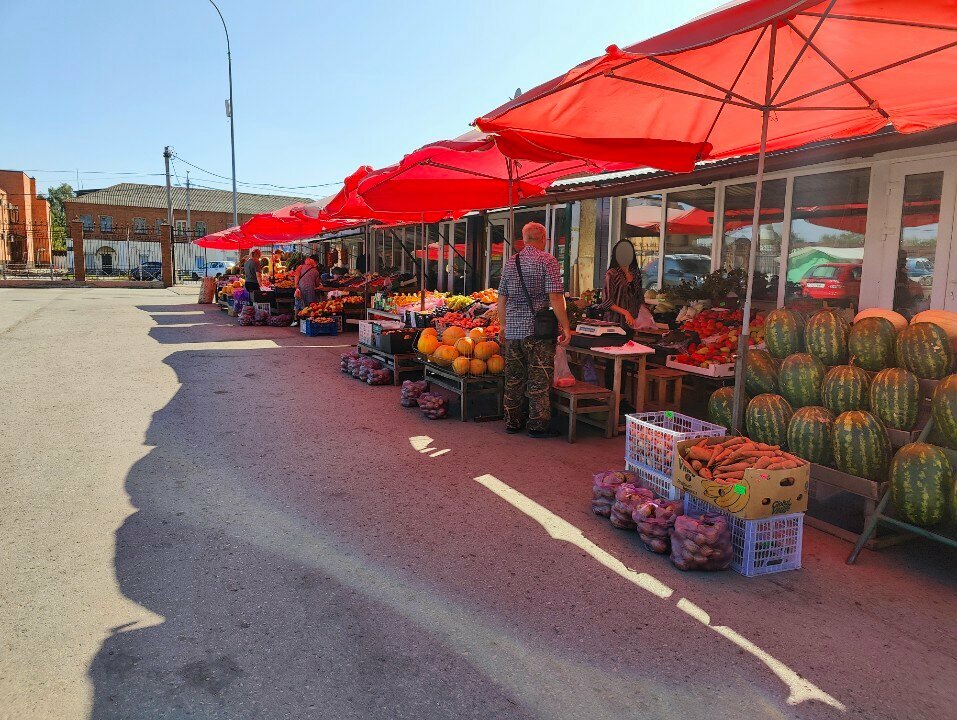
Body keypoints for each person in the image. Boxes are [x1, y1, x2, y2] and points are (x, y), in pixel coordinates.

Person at [497, 222, 572, 438]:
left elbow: (502, 298)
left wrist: (503, 325)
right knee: (539, 377)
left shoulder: (511, 262)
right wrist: (566, 326)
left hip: (514, 331)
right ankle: (538, 425)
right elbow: (556, 297)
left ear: (524, 238)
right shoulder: (547, 261)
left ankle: (512, 421)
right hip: (538, 331)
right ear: (543, 239)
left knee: (513, 377)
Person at [600, 239, 645, 326]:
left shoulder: (635, 274)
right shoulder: (611, 274)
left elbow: (640, 298)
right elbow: (607, 302)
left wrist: (645, 312)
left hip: (633, 323)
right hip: (614, 323)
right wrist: (626, 313)